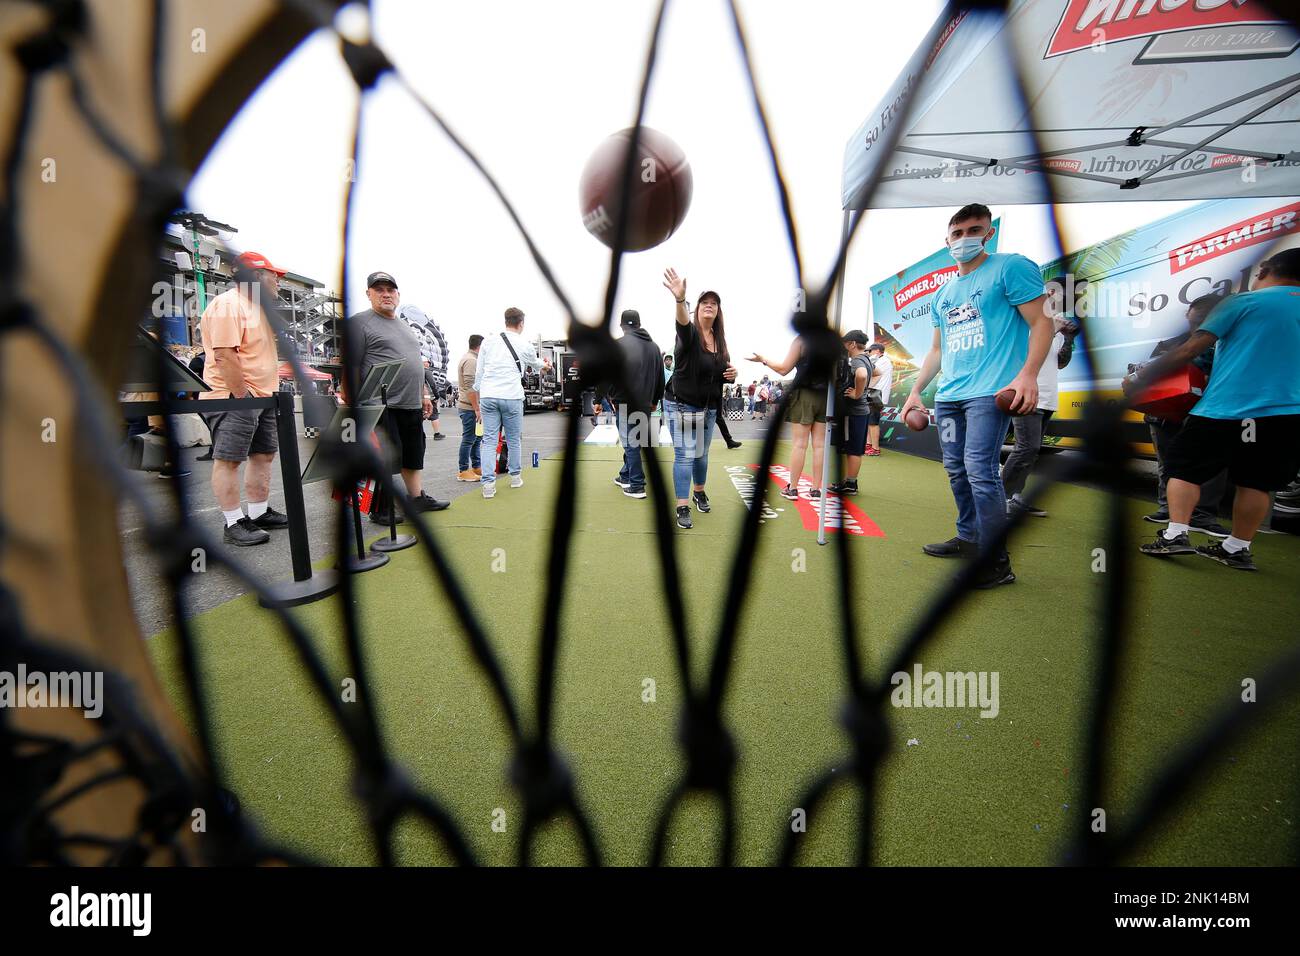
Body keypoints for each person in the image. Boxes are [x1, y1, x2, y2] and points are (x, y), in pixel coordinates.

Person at [901, 203, 1053, 589]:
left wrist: (1028, 375)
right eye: (958, 233)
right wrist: (916, 391)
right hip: (949, 396)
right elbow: (936, 350)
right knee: (956, 470)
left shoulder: (1011, 267)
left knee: (980, 472)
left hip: (990, 393)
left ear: (988, 233)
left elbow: (1041, 322)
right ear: (947, 239)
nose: (965, 238)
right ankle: (969, 538)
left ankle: (997, 561)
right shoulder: (944, 292)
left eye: (975, 230)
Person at [1136, 249, 1300, 571]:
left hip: (1227, 407)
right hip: (1287, 413)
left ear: (1265, 270)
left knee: (1182, 467)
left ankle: (1175, 535)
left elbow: (1189, 349)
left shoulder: (1244, 302)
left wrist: (1143, 376)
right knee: (1257, 482)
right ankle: (1237, 548)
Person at [198, 251, 291, 546]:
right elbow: (224, 354)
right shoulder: (228, 304)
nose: (277, 279)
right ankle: (233, 522)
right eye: (271, 274)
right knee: (229, 459)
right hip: (233, 395)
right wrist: (243, 396)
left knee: (262, 455)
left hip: (260, 396)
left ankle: (259, 512)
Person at [349, 271, 449, 523]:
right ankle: (380, 508)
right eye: (379, 289)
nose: (386, 294)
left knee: (413, 454)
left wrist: (424, 394)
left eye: (390, 290)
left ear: (398, 295)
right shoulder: (360, 322)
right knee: (384, 457)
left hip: (410, 403)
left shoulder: (403, 325)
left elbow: (413, 363)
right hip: (379, 404)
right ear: (368, 294)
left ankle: (416, 499)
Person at [1130, 293, 1229, 536]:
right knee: (1167, 461)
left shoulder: (1223, 343)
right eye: (1194, 319)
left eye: (1202, 319)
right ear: (1187, 316)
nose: (1197, 324)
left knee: (1209, 464)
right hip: (1165, 411)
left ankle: (1202, 514)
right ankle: (1166, 508)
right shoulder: (1170, 343)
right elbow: (1147, 369)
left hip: (1205, 410)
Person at [661, 268, 737, 529]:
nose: (709, 306)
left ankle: (699, 491)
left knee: (701, 455)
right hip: (681, 403)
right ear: (697, 309)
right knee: (684, 454)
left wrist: (732, 374)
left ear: (718, 311)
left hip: (708, 408)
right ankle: (682, 505)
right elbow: (681, 322)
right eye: (705, 302)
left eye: (713, 304)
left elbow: (718, 372)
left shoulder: (720, 339)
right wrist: (680, 300)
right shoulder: (689, 333)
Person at [471, 306, 549, 499]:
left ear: (505, 321)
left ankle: (488, 485)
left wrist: (478, 395)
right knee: (513, 439)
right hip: (512, 396)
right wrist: (545, 366)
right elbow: (535, 364)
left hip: (489, 395)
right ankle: (515, 477)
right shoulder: (524, 344)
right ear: (521, 323)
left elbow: (479, 372)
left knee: (489, 440)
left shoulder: (488, 341)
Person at [1001, 313, 1072, 518]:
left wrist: (1068, 338)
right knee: (1026, 447)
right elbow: (1022, 353)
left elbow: (1060, 362)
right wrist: (1053, 330)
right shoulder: (1030, 321)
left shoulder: (1058, 326)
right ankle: (999, 498)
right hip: (1028, 393)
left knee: (1032, 451)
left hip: (1048, 397)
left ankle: (1015, 497)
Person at [749, 336, 831, 501]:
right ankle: (815, 489)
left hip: (805, 394)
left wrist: (763, 360)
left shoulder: (802, 340)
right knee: (820, 446)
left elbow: (783, 369)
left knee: (800, 444)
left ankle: (793, 488)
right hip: (826, 397)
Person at [609, 309, 665, 499]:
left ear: (622, 325)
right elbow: (660, 378)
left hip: (624, 403)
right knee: (635, 442)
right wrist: (655, 400)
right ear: (639, 324)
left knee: (630, 444)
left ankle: (637, 485)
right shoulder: (654, 347)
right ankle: (626, 475)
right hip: (646, 404)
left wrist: (603, 399)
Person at [829, 330, 873, 496]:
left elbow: (861, 375)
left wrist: (857, 393)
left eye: (846, 343)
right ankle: (850, 482)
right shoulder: (867, 359)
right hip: (862, 411)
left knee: (852, 449)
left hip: (854, 411)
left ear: (853, 344)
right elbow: (875, 374)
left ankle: (850, 483)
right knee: (855, 449)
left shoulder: (857, 361)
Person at [398, 304, 449, 442]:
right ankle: (437, 433)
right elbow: (432, 383)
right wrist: (436, 395)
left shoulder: (411, 367)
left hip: (413, 398)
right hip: (427, 397)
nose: (428, 364)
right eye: (427, 362)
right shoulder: (425, 370)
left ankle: (414, 433)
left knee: (418, 417)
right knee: (433, 415)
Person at [456, 334, 484, 482]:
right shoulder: (471, 360)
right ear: (480, 346)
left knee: (477, 438)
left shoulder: (471, 358)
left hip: (472, 407)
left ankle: (476, 466)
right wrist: (477, 408)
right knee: (469, 439)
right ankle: (463, 470)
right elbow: (470, 387)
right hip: (469, 408)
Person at [865, 342, 892, 456]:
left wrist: (865, 357)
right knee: (868, 421)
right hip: (872, 393)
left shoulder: (884, 361)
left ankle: (875, 448)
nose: (869, 353)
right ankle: (868, 444)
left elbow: (869, 370)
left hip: (877, 394)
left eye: (870, 351)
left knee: (873, 422)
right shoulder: (880, 360)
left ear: (877, 351)